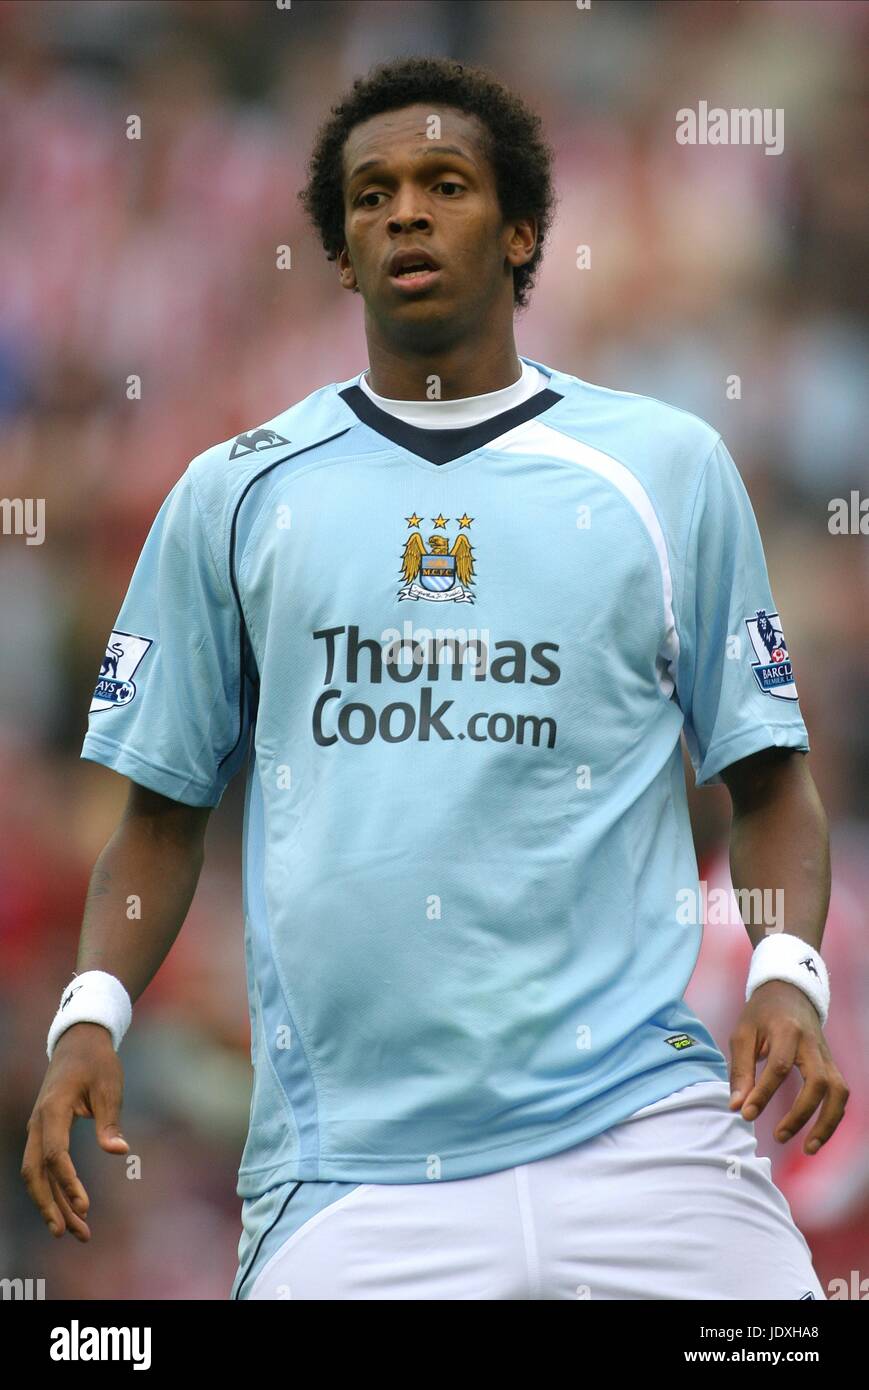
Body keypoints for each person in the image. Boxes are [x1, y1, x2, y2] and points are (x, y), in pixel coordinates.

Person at [22, 56, 848, 1300]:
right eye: (369, 195)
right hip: (353, 1171)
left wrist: (787, 977)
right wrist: (91, 1011)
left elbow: (771, 786)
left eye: (443, 183)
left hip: (642, 1135)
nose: (402, 210)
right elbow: (157, 818)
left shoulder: (662, 470)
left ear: (519, 231)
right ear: (342, 254)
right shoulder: (235, 495)